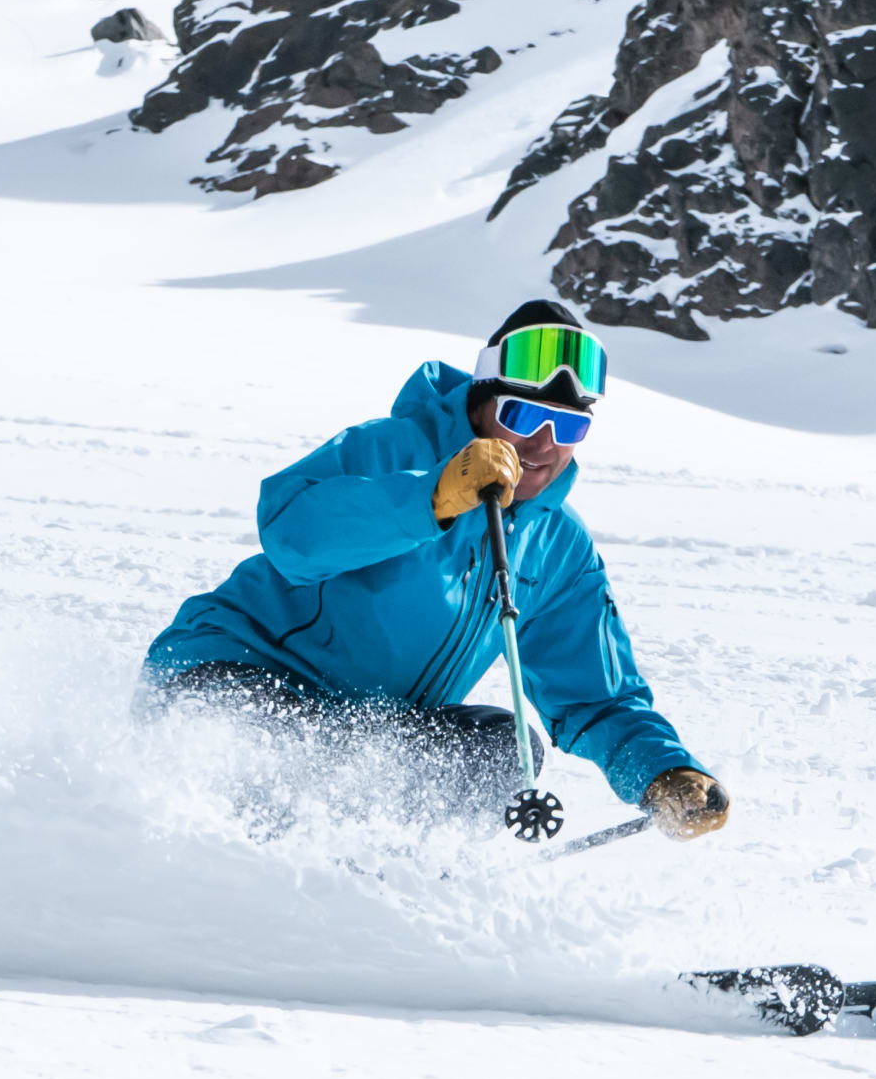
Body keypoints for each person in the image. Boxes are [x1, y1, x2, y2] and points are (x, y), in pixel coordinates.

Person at [142, 300, 730, 838]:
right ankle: (223, 877)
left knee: (499, 748)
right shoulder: (394, 450)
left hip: (361, 731)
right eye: (524, 417)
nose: (545, 444)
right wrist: (431, 498)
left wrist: (663, 771)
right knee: (290, 750)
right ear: (481, 405)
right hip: (238, 679)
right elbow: (293, 533)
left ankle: (390, 898)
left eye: (570, 427)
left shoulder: (556, 546)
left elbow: (596, 694)